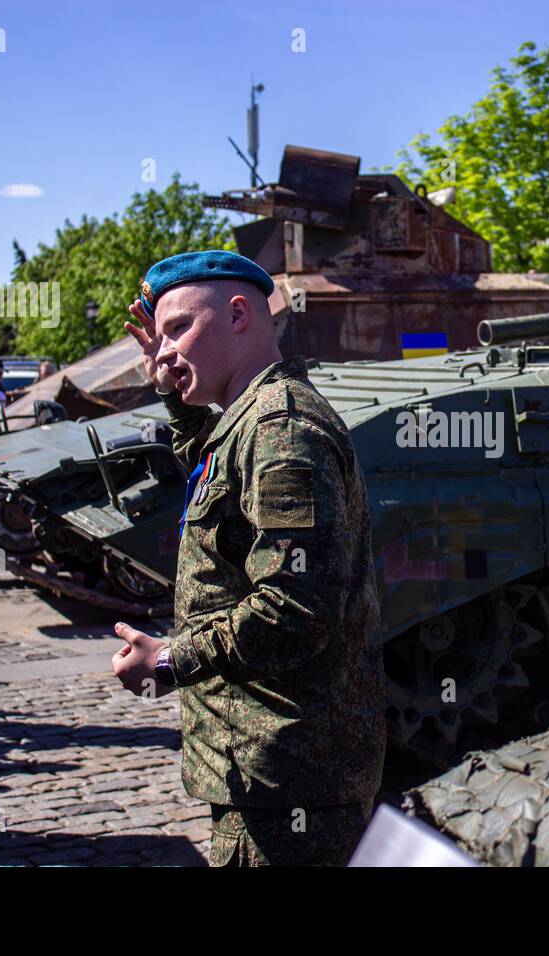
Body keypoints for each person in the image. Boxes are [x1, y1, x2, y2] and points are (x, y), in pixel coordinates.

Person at [112, 250, 386, 867]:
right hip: (265, 765)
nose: (165, 350)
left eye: (178, 327)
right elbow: (215, 473)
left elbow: (295, 609)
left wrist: (171, 661)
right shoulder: (251, 421)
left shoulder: (282, 429)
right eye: (159, 337)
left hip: (291, 779)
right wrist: (176, 390)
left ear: (239, 314)